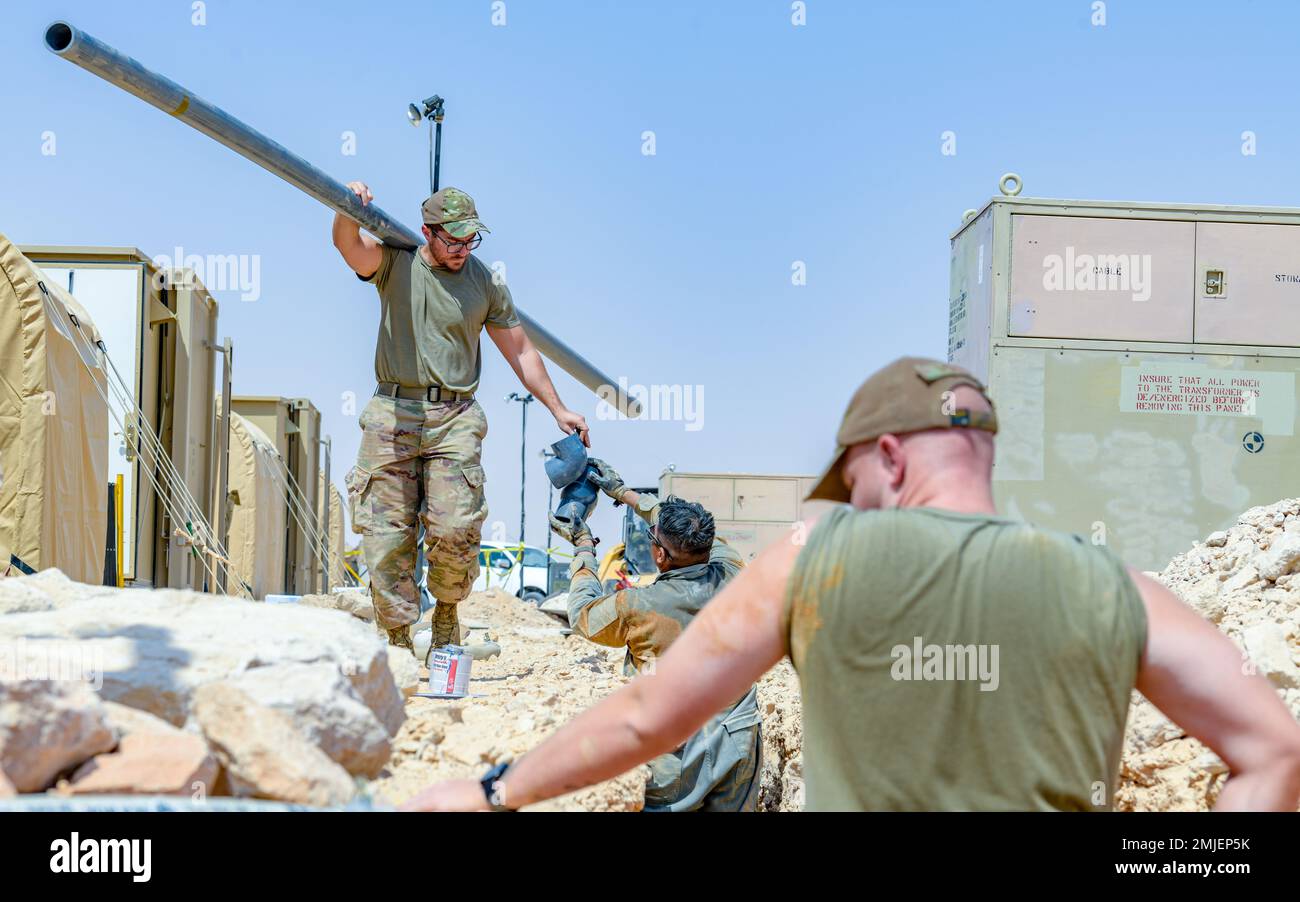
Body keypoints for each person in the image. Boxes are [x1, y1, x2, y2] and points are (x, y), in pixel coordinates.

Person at [402, 357, 1300, 811]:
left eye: (853, 484)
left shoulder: (814, 560)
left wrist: (490, 794)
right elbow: (1274, 754)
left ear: (892, 456)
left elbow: (650, 719)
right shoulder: (1117, 588)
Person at [333, 184, 588, 655]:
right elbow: (349, 246)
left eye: (471, 240)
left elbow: (522, 350)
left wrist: (558, 407)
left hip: (455, 418)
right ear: (428, 231)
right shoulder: (397, 262)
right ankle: (396, 637)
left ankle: (447, 612)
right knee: (387, 536)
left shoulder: (484, 283)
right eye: (453, 240)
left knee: (455, 527)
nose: (462, 250)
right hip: (393, 413)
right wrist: (347, 206)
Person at [548, 459, 761, 811]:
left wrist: (584, 546)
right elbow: (685, 529)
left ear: (660, 555)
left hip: (674, 753)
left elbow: (583, 615)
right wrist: (626, 494)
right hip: (736, 739)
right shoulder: (732, 571)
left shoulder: (638, 605)